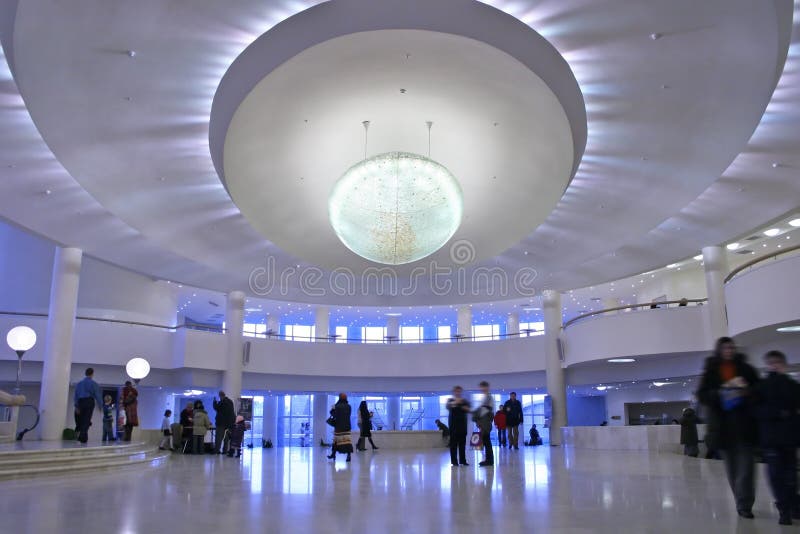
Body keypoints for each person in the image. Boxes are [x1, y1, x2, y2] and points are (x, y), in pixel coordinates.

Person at [697, 337, 760, 519]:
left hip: (745, 427)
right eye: (725, 348)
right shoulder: (711, 371)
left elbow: (758, 390)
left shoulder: (746, 369)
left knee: (746, 469)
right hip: (723, 429)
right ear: (719, 350)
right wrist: (721, 392)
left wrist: (745, 391)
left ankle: (745, 504)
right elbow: (703, 395)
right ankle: (741, 501)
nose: (729, 351)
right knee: (733, 470)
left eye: (731, 347)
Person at [754, 350, 800, 525]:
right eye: (772, 363)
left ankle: (788, 507)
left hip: (783, 439)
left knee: (786, 476)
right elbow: (756, 411)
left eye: (777, 363)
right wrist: (781, 412)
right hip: (776, 439)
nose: (775, 366)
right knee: (781, 476)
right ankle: (786, 508)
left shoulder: (788, 385)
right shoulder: (765, 386)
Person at [74, 368, 103, 444]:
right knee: (86, 420)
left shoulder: (79, 384)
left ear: (85, 373)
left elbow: (76, 395)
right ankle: (81, 437)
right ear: (92, 374)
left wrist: (76, 406)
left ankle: (84, 438)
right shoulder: (94, 384)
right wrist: (100, 405)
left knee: (82, 420)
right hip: (89, 402)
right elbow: (97, 395)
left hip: (80, 402)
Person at [446, 386, 470, 467]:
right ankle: (454, 461)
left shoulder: (464, 401)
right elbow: (448, 406)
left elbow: (468, 409)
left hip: (462, 426)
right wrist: (456, 403)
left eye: (459, 391)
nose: (458, 393)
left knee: (462, 444)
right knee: (453, 445)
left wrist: (462, 405)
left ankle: (463, 461)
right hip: (453, 426)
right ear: (454, 392)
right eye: (456, 391)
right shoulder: (450, 400)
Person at [474, 381, 495, 467]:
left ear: (487, 387)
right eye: (481, 387)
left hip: (485, 422)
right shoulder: (485, 397)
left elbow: (486, 410)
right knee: (486, 441)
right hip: (484, 422)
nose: (482, 389)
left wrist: (478, 417)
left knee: (487, 441)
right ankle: (489, 460)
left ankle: (489, 460)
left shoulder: (489, 397)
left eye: (483, 387)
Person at [328, 393, 353, 462]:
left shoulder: (337, 406)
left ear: (339, 398)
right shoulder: (349, 406)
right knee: (347, 441)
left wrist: (332, 409)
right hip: (347, 426)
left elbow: (334, 414)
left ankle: (333, 454)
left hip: (339, 426)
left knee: (336, 441)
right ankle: (348, 456)